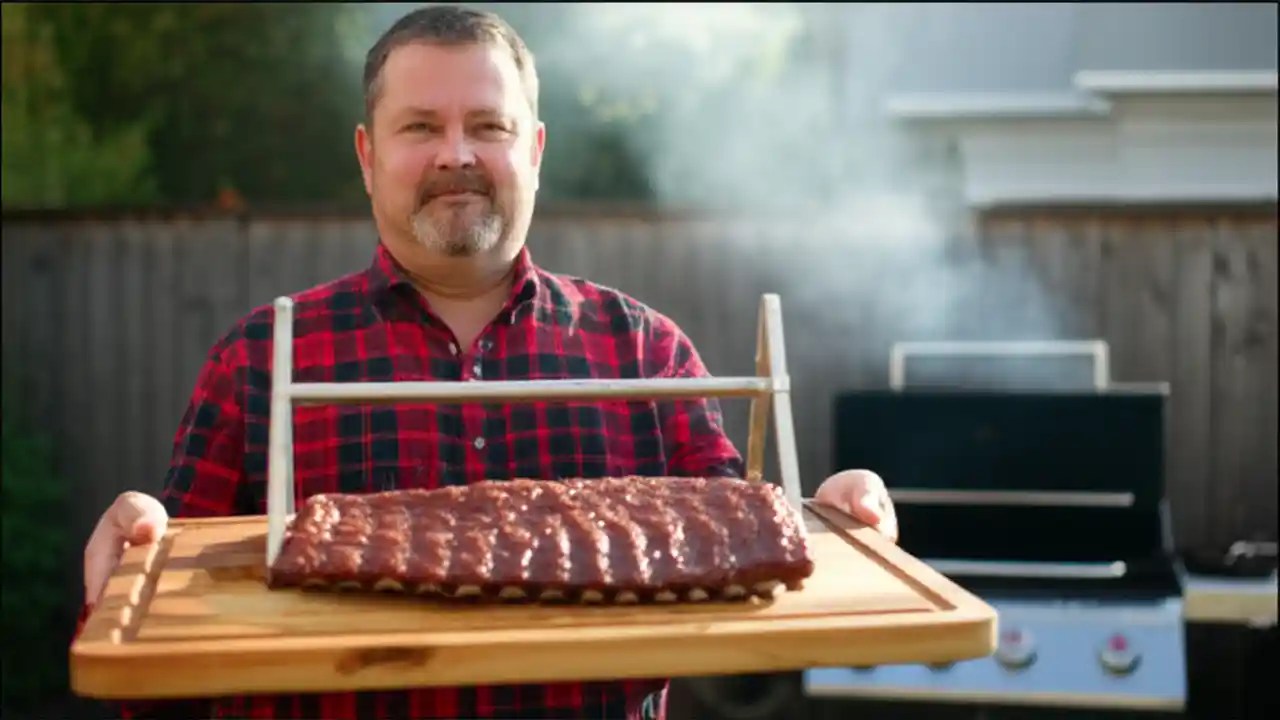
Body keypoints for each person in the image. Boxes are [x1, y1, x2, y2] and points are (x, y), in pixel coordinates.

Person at [77, 5, 899, 720]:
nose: (456, 154)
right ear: (368, 157)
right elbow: (152, 676)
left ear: (534, 149)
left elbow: (748, 589)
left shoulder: (643, 352)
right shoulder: (259, 362)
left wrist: (824, 528)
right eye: (420, 127)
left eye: (489, 126)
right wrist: (121, 574)